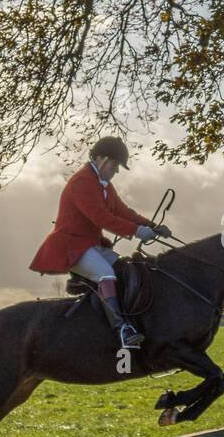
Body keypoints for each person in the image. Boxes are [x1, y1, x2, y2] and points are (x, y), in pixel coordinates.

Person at [28, 136, 170, 348]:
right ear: (100, 158)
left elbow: (123, 212)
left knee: (125, 269)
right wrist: (138, 231)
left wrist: (151, 225)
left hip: (91, 246)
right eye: (114, 165)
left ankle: (133, 320)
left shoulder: (104, 185)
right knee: (106, 273)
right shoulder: (82, 182)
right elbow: (101, 218)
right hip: (71, 247)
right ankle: (121, 330)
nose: (115, 171)